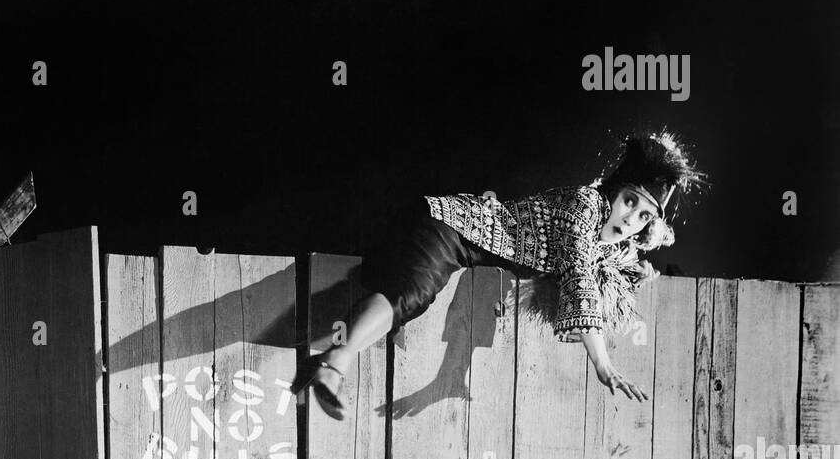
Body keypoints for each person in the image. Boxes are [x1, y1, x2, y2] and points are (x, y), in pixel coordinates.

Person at [292, 129, 706, 413]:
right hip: (451, 226)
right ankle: (333, 364)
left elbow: (614, 268)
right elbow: (578, 273)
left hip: (458, 244)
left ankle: (331, 355)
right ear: (615, 193)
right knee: (412, 298)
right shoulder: (585, 205)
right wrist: (601, 362)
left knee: (409, 299)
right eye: (629, 201)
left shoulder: (611, 243)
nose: (630, 217)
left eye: (644, 215)